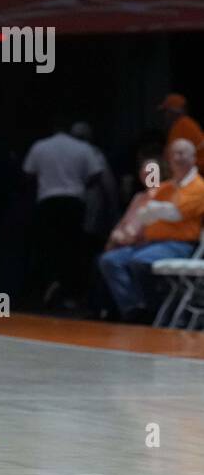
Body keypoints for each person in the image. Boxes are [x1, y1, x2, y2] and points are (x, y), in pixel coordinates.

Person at [98, 139, 204, 323]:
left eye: (182, 153)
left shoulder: (198, 186)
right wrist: (128, 231)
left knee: (140, 261)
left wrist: (155, 210)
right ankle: (134, 309)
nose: (177, 158)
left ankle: (153, 309)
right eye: (174, 154)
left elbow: (175, 213)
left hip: (178, 244)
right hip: (149, 243)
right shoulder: (164, 188)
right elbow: (143, 214)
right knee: (110, 260)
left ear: (193, 158)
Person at [22, 117, 106, 307]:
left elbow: (27, 173)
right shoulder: (82, 148)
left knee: (49, 246)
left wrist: (45, 181)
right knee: (72, 247)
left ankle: (51, 283)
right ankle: (69, 292)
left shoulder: (40, 146)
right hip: (73, 200)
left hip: (48, 200)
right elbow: (97, 174)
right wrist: (82, 185)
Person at [158, 93, 204, 172]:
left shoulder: (181, 126)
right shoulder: (186, 123)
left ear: (172, 112)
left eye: (165, 111)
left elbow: (170, 160)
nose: (163, 116)